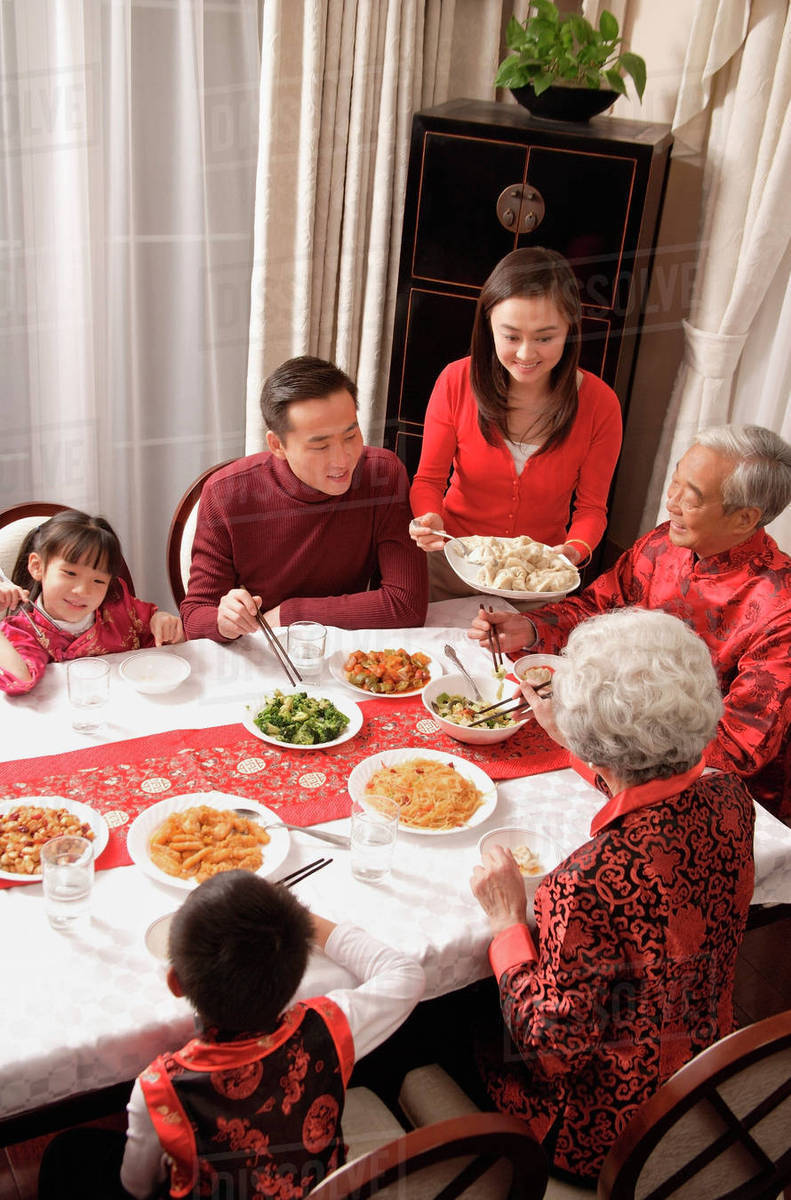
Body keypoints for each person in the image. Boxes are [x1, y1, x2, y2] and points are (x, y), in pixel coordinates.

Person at [471, 608, 755, 1184]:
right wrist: (581, 749)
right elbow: (648, 776)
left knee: (459, 1014)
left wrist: (506, 925)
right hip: (707, 1069)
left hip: (605, 1131)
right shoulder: (732, 797)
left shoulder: (586, 879)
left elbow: (550, 1048)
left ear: (592, 738)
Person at [37, 869, 425, 1200]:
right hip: (316, 1187)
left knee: (66, 1153)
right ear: (296, 981)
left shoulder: (160, 1089)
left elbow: (137, 1187)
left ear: (176, 983)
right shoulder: (331, 1024)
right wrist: (303, 921)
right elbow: (406, 975)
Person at [469, 424, 791, 819]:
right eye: (674, 484)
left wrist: (597, 734)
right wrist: (531, 628)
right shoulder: (662, 544)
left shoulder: (781, 611)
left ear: (745, 519)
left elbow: (739, 748)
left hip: (712, 803)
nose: (670, 502)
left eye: (689, 498)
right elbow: (596, 608)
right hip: (612, 748)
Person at [409, 247, 622, 601]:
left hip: (538, 579)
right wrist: (429, 519)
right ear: (488, 325)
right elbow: (428, 481)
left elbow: (591, 509)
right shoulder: (455, 381)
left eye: (544, 337)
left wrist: (572, 553)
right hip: (454, 565)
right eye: (510, 336)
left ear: (570, 327)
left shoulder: (600, 404)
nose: (526, 354)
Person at [181, 356, 428, 641]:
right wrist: (225, 621)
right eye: (321, 446)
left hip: (346, 651)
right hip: (264, 651)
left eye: (350, 436)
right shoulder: (227, 493)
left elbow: (407, 604)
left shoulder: (382, 474)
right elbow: (195, 617)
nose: (342, 460)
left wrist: (291, 615)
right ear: (277, 445)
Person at [0, 509, 183, 695]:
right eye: (70, 573)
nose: (82, 591)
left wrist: (162, 622)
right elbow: (20, 680)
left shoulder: (118, 607)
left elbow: (163, 640)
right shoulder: (22, 630)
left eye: (98, 581)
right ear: (37, 567)